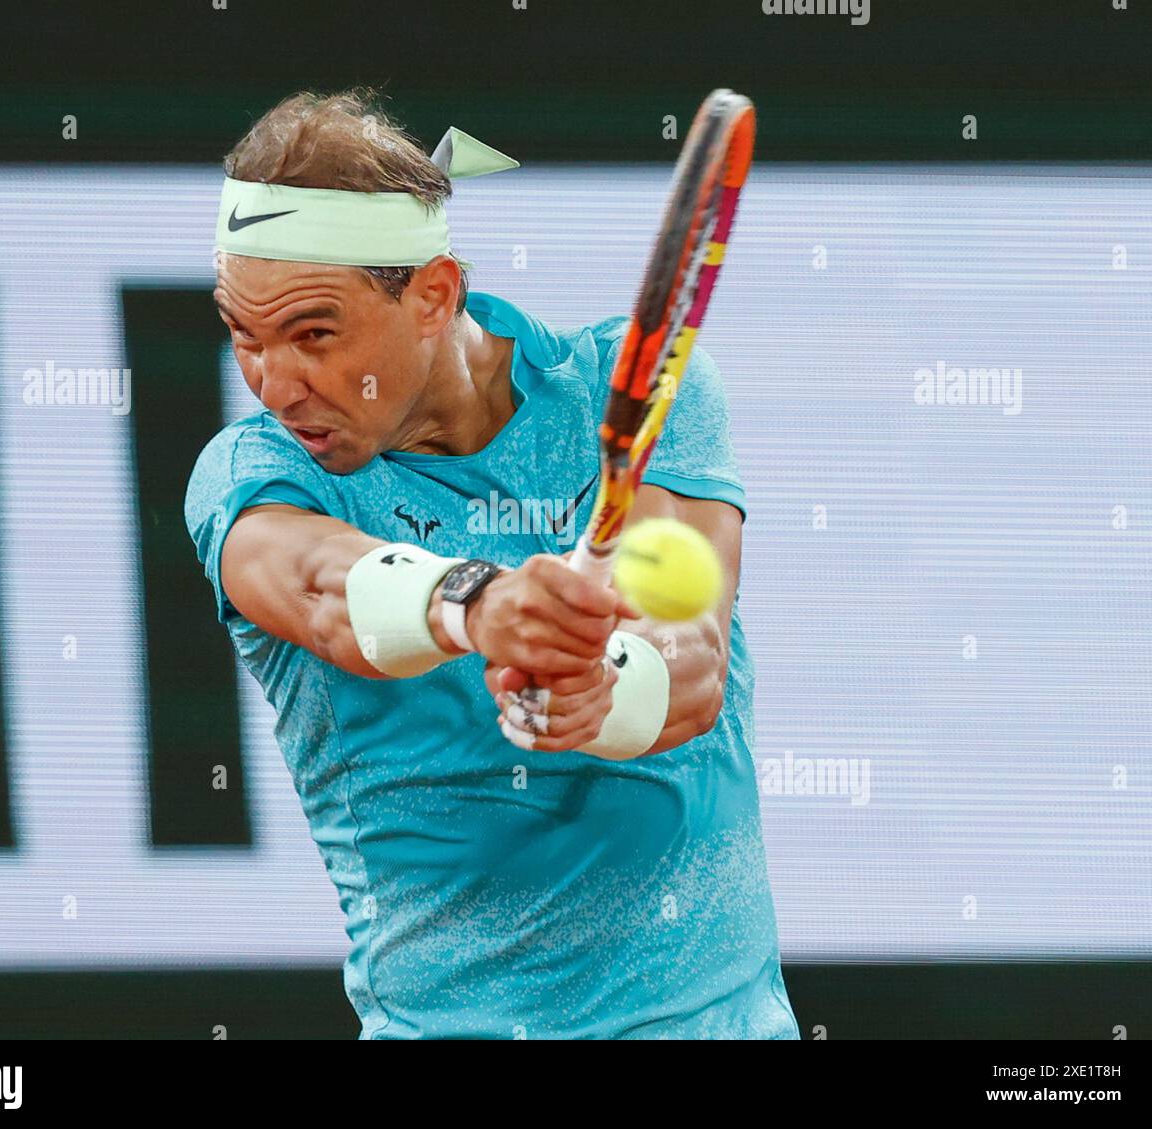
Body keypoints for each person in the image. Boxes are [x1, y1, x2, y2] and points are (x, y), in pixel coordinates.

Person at [185, 87, 798, 1039]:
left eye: (313, 333)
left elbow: (693, 662)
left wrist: (602, 691)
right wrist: (476, 604)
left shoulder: (618, 386)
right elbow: (320, 589)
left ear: (434, 295)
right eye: (243, 334)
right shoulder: (253, 472)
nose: (274, 383)